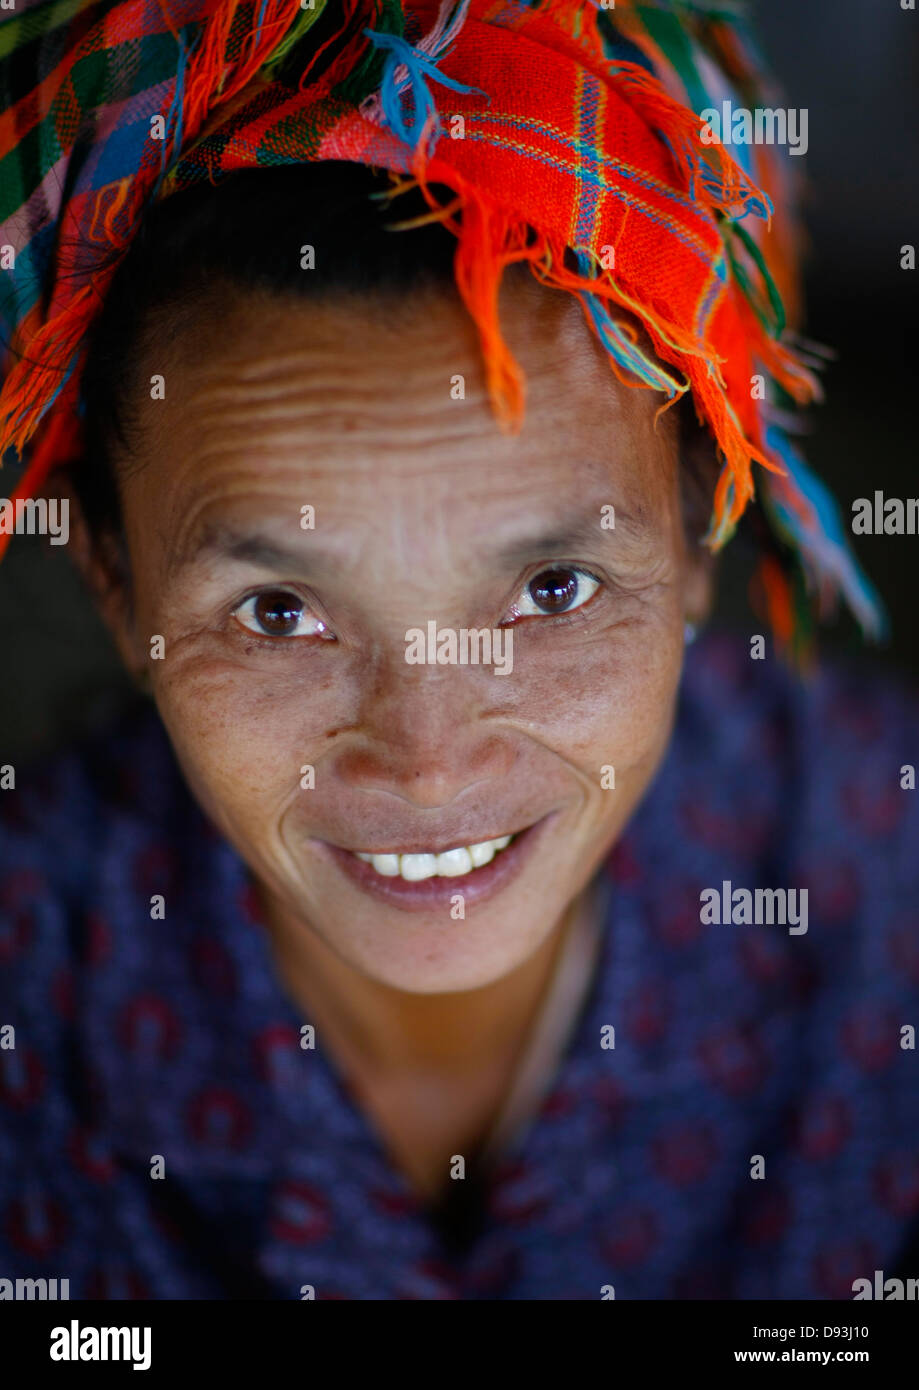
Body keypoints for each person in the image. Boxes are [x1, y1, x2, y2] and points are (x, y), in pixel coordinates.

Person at [0, 0, 916, 1300]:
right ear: (114, 576)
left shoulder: (884, 895)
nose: (427, 763)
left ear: (703, 538)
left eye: (552, 585)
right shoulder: (29, 997)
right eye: (280, 613)